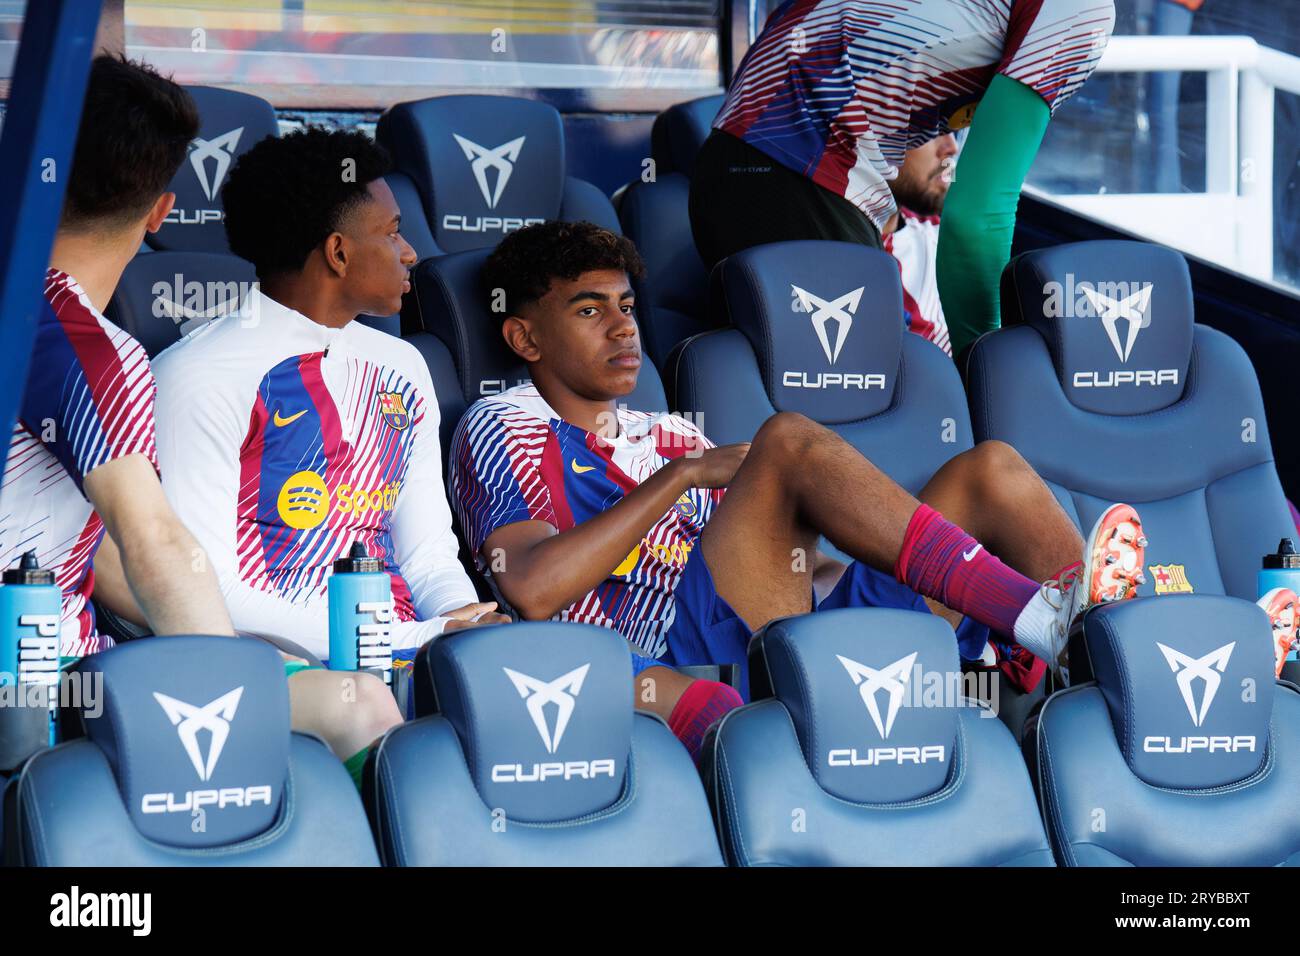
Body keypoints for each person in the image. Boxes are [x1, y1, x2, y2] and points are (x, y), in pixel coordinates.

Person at [449, 221, 1151, 759]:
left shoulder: (673, 432)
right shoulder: (503, 425)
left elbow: (784, 565)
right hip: (665, 658)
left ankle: (1126, 654)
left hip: (773, 622)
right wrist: (683, 477)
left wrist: (871, 580)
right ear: (525, 338)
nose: (623, 325)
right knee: (786, 441)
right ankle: (1041, 621)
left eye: (627, 306)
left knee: (989, 470)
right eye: (588, 310)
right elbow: (534, 587)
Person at [146, 127, 508, 783]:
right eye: (393, 233)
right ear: (338, 253)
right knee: (366, 707)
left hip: (404, 647)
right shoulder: (199, 373)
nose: (412, 252)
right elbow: (204, 591)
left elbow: (427, 550)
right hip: (273, 661)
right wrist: (412, 641)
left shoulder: (403, 366)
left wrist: (462, 620)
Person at [689, 0, 1117, 357]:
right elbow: (978, 216)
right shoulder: (1080, 9)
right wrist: (985, 374)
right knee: (857, 419)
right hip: (805, 166)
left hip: (739, 157)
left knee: (805, 408)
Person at [0, 55, 233, 661]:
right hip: (34, 690)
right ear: (160, 212)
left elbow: (90, 542)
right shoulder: (92, 348)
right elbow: (150, 535)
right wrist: (237, 678)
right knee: (357, 704)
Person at [883, 134, 958, 355]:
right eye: (934, 126)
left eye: (955, 129)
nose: (951, 147)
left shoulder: (944, 230)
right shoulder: (846, 260)